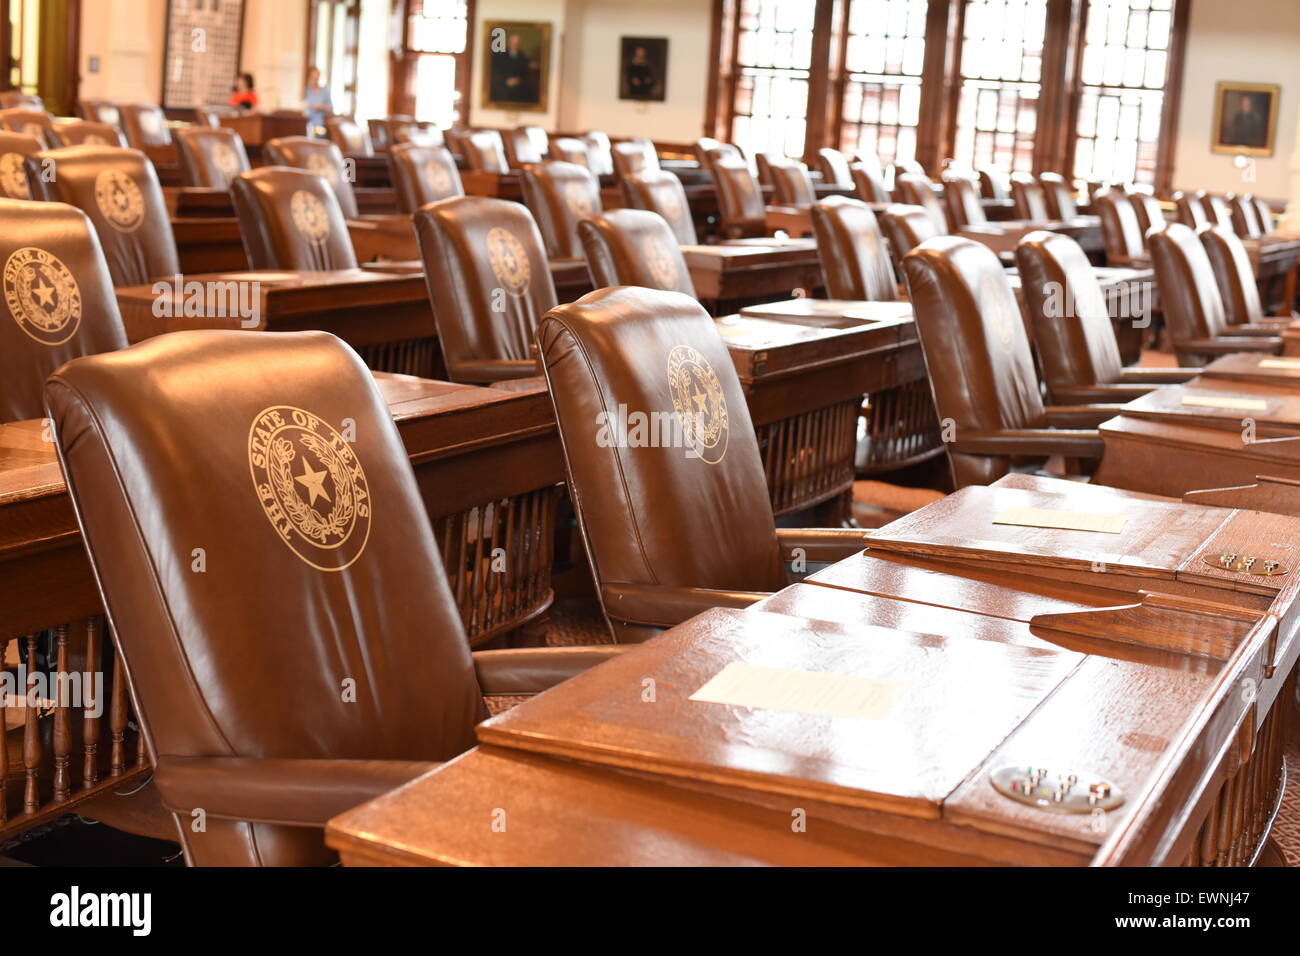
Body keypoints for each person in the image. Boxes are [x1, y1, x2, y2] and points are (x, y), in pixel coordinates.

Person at [490, 33, 536, 104]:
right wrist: (505, 81)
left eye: (517, 43)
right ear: (509, 43)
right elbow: (496, 72)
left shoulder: (522, 57)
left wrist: (518, 80)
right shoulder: (500, 56)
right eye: (513, 43)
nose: (515, 45)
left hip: (519, 87)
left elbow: (525, 72)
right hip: (503, 86)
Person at [304, 66, 333, 136]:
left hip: (320, 125)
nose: (315, 79)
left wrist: (321, 106)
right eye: (313, 77)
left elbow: (331, 108)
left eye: (316, 76)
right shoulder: (307, 90)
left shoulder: (325, 91)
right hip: (307, 124)